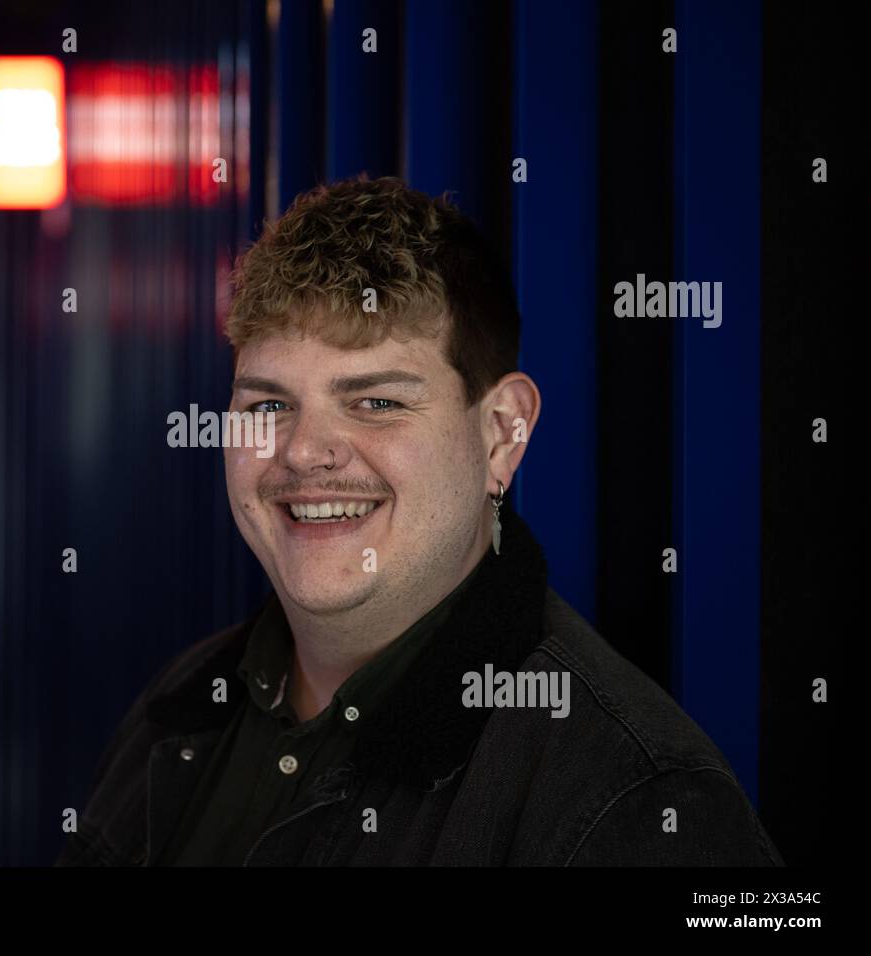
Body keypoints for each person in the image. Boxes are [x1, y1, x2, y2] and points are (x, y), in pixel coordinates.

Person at [56, 177, 781, 866]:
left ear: (501, 435)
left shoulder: (634, 801)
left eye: (378, 402)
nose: (304, 452)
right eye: (268, 405)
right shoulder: (179, 708)